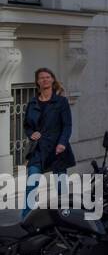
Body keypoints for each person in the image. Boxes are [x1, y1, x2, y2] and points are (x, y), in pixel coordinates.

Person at [22, 67, 74, 218]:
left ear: (52, 80)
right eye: (41, 78)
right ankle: (26, 218)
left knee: (60, 185)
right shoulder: (32, 103)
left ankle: (65, 215)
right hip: (38, 150)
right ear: (37, 82)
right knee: (32, 182)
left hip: (57, 148)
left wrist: (62, 143)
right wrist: (32, 134)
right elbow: (26, 125)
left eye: (47, 77)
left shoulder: (61, 102)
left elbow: (67, 125)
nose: (44, 79)